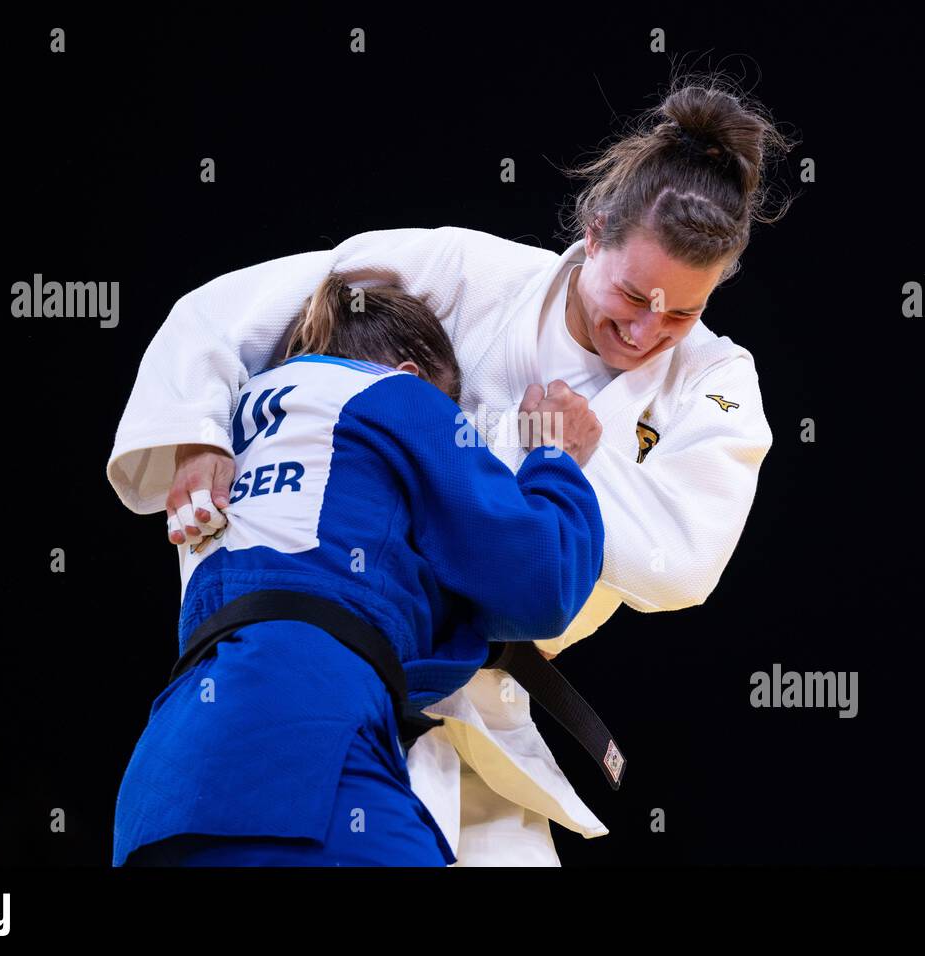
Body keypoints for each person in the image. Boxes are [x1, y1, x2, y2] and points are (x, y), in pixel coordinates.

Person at [105, 74, 794, 865]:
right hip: (333, 654)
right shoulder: (466, 271)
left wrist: (507, 453)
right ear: (595, 231)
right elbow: (221, 314)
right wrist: (199, 435)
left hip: (481, 692)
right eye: (634, 297)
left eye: (681, 312)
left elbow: (685, 560)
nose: (646, 331)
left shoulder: (716, 381)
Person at [111, 274, 604, 866]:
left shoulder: (219, 431)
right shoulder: (395, 395)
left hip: (159, 786)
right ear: (413, 376)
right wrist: (555, 456)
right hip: (307, 750)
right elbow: (541, 584)